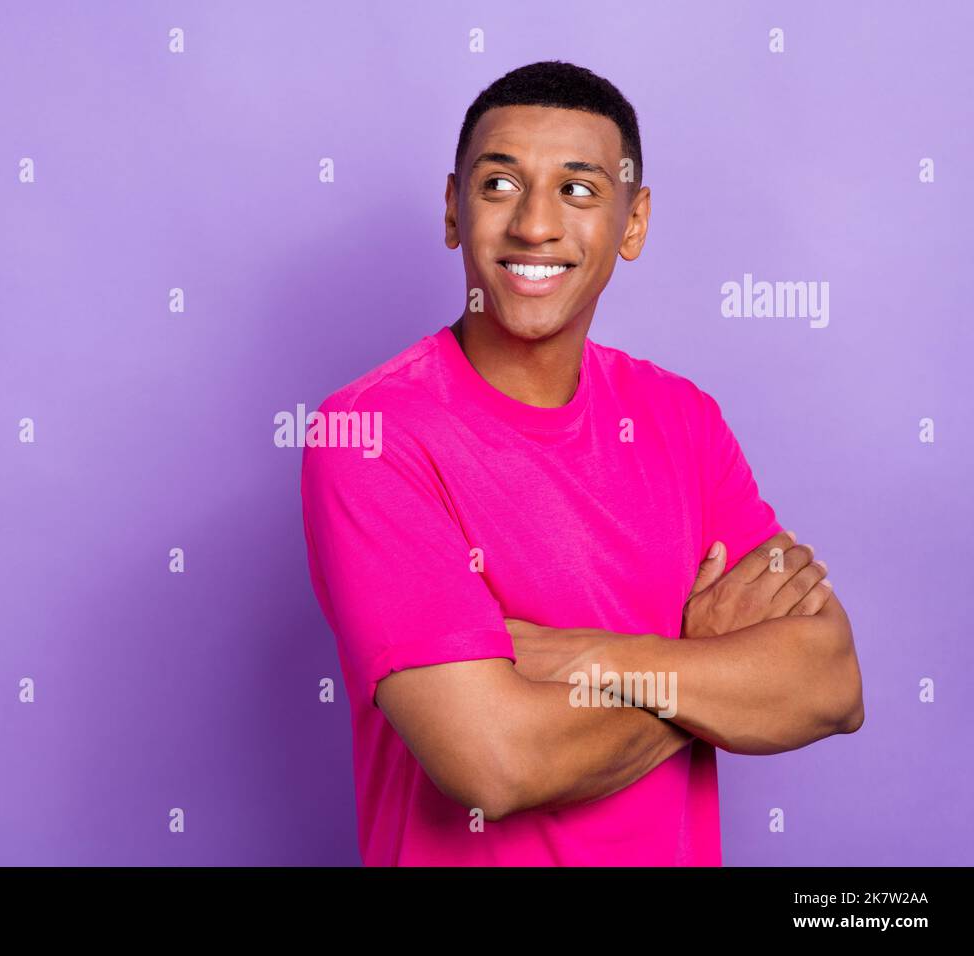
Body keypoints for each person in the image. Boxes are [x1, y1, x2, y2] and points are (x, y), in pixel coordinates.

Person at [299, 60, 864, 866]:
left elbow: (832, 684)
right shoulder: (368, 434)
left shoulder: (682, 419)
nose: (535, 225)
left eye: (578, 189)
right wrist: (707, 668)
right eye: (499, 186)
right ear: (453, 211)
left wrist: (584, 657)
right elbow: (495, 762)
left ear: (632, 224)